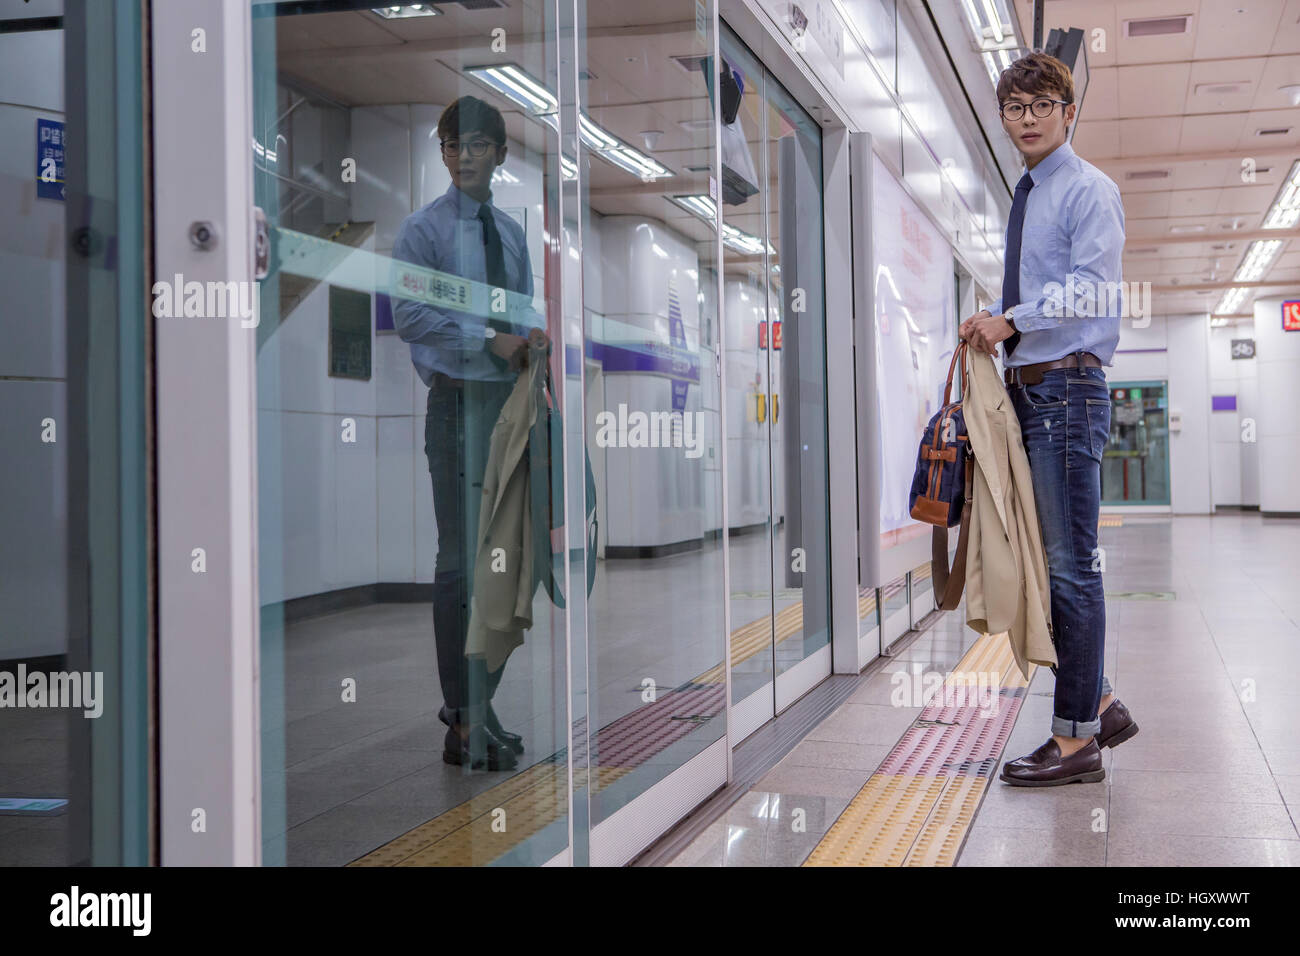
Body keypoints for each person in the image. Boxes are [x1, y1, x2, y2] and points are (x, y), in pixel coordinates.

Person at [958, 52, 1139, 787]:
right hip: (1035, 393)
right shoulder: (1029, 192)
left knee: (1071, 569)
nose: (1028, 119)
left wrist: (1013, 320)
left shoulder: (1088, 189)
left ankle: (1075, 743)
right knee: (1043, 562)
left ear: (1069, 113)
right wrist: (1001, 324)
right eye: (1016, 107)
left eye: (1042, 106)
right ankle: (1101, 703)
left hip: (1067, 392)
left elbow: (1094, 291)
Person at [391, 95, 543, 772]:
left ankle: (482, 705)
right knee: (459, 560)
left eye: (477, 145)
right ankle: (462, 719)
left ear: (500, 154)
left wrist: (530, 342)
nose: (464, 157)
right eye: (452, 146)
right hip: (457, 409)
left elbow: (522, 312)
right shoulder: (422, 231)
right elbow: (411, 317)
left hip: (509, 408)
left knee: (505, 562)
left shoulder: (510, 234)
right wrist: (488, 338)